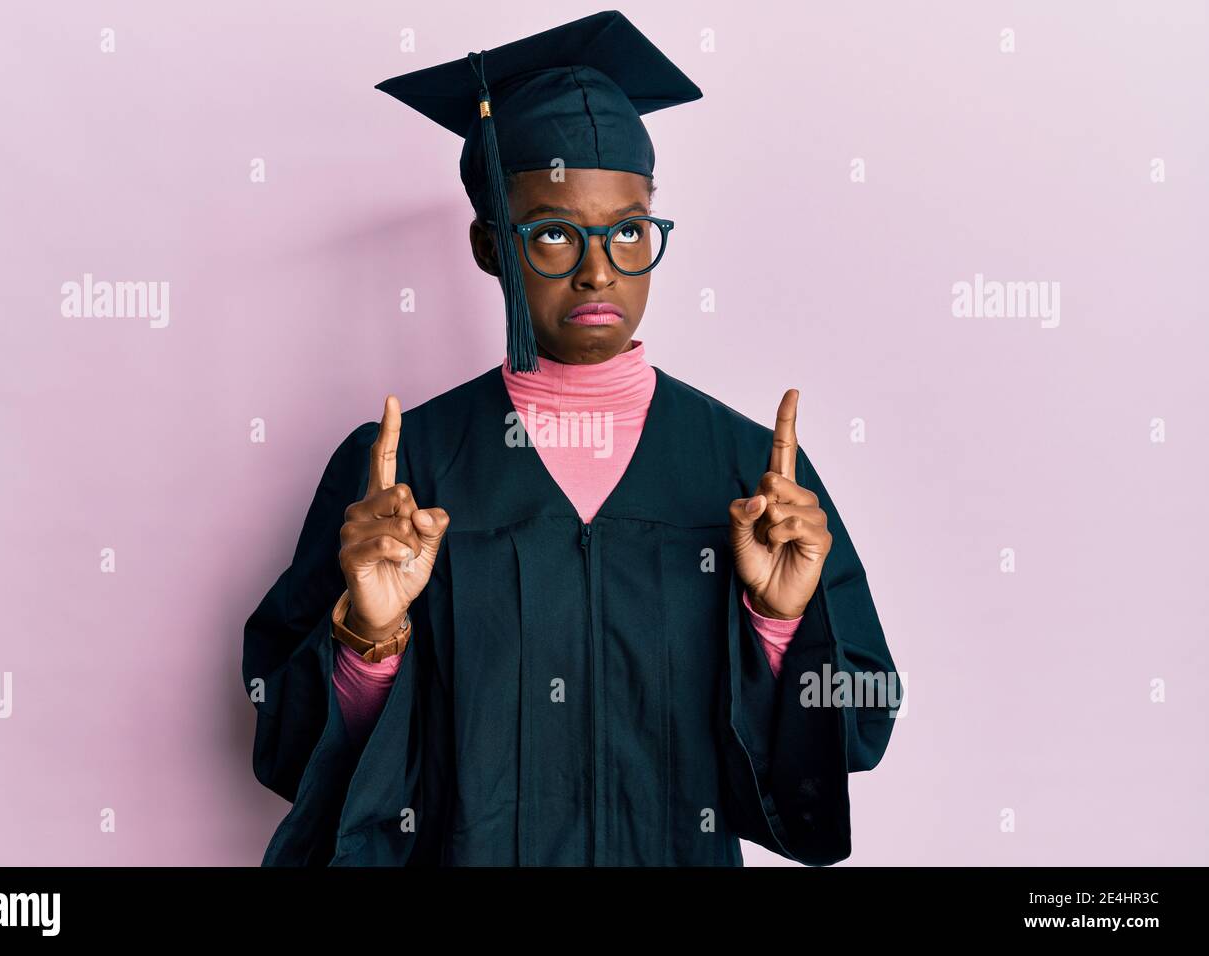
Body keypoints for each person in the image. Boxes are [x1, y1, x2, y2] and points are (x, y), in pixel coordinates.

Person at [242, 10, 901, 866]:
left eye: (628, 230)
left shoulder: (748, 475)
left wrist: (779, 623)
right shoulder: (400, 477)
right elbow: (287, 749)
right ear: (490, 247)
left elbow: (858, 730)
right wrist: (369, 640)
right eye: (553, 232)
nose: (599, 269)